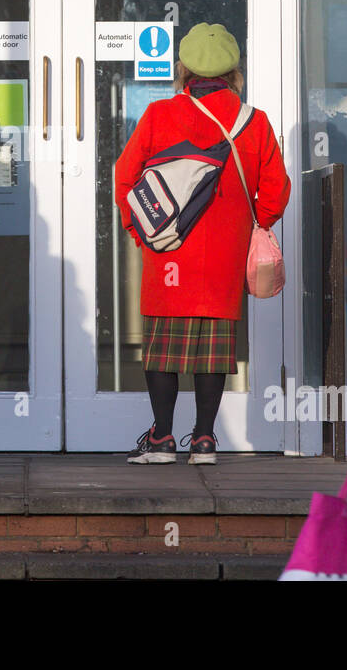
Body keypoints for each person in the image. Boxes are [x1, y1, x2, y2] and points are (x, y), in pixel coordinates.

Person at [115, 23, 290, 464]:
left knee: (162, 348)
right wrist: (254, 225)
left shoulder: (159, 114)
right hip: (224, 256)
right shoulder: (254, 121)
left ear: (184, 69)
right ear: (234, 72)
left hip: (168, 249)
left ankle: (161, 441)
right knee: (213, 347)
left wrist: (141, 230)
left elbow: (124, 174)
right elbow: (276, 191)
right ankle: (206, 440)